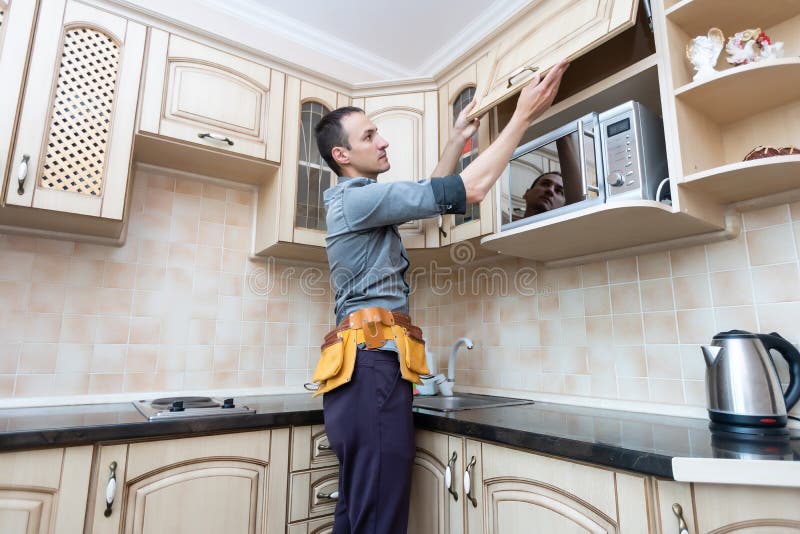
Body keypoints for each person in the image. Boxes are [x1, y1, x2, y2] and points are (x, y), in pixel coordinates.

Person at [311, 60, 569, 534]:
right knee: (378, 520)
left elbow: (430, 197)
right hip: (371, 369)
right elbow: (471, 188)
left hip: (358, 372)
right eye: (369, 136)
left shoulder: (358, 205)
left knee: (359, 514)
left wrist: (456, 140)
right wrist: (523, 116)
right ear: (342, 156)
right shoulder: (358, 199)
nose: (383, 141)